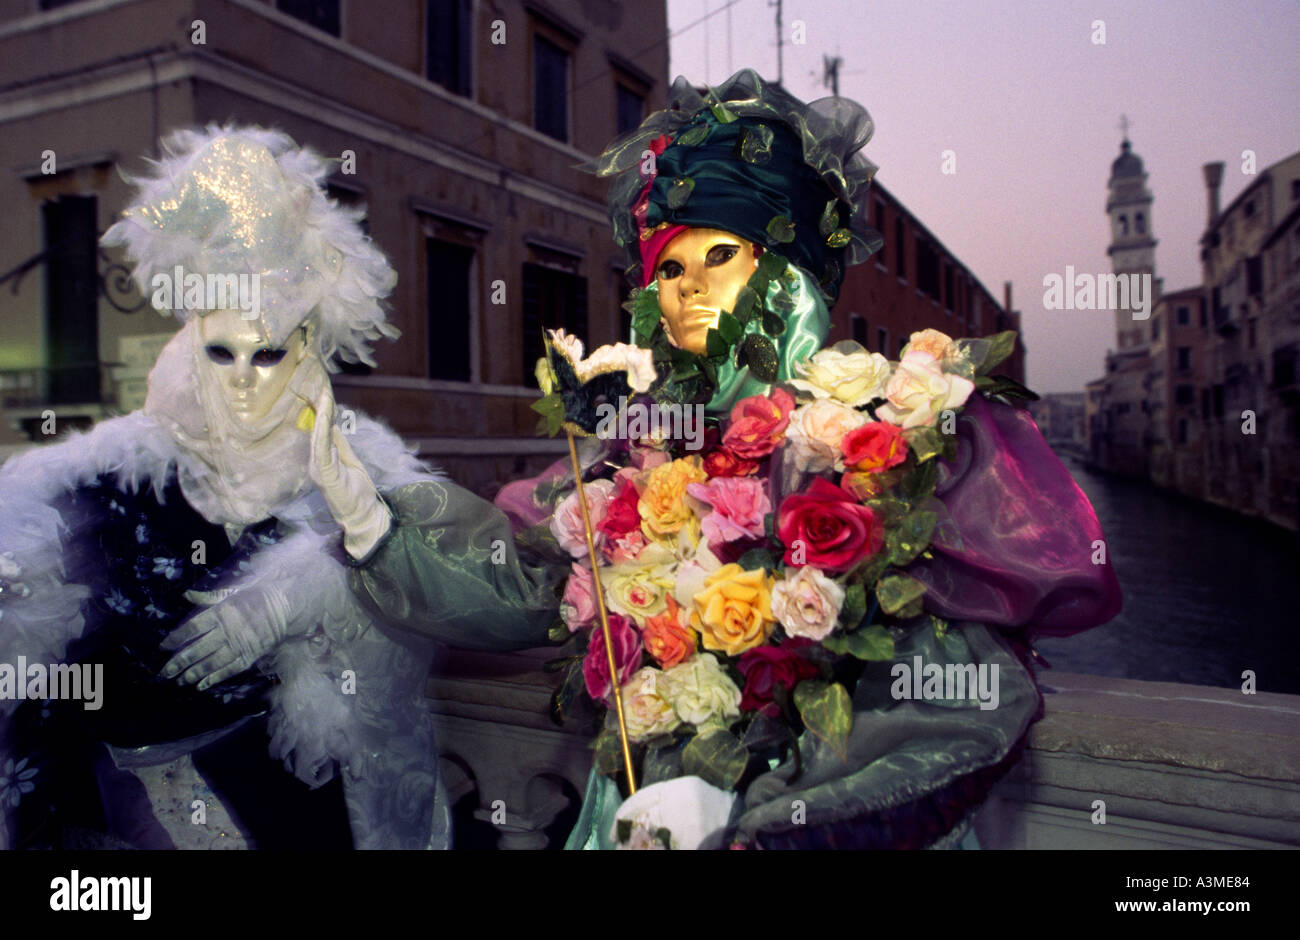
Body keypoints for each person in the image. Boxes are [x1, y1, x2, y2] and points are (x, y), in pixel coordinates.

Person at [495, 70, 1121, 849]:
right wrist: (365, 508)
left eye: (717, 256)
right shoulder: (637, 450)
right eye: (667, 269)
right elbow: (509, 573)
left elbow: (963, 704)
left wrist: (755, 820)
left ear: (783, 278)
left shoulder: (879, 443)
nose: (687, 291)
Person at [0, 126, 561, 850]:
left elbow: (518, 608)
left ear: (307, 351)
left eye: (266, 353)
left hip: (299, 810)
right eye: (219, 352)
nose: (240, 378)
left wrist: (334, 563)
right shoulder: (103, 479)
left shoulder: (357, 466)